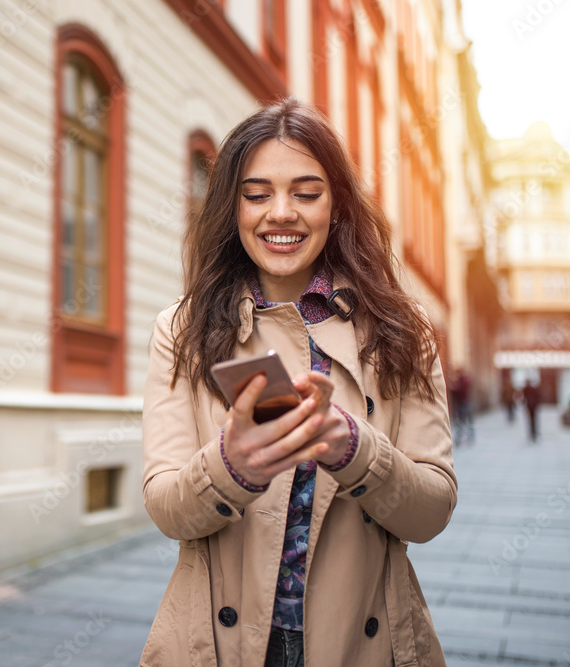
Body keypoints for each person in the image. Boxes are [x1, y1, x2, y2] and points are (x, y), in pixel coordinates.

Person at [140, 99, 457, 667]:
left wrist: (355, 449)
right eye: (257, 195)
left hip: (365, 641)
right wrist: (230, 466)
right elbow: (166, 508)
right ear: (232, 208)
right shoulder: (182, 329)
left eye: (307, 193)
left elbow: (431, 512)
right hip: (219, 643)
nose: (281, 213)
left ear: (337, 206)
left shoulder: (401, 330)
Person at [450, 368, 475, 446]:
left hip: (464, 403)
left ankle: (468, 437)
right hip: (459, 404)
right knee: (460, 422)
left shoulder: (464, 381)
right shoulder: (458, 382)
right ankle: (459, 438)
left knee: (466, 422)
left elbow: (462, 390)